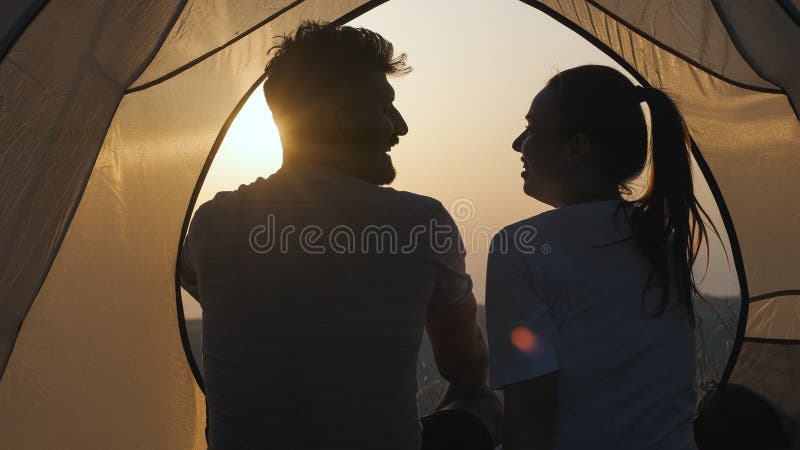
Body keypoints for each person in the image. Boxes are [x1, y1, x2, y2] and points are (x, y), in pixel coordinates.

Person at [180, 22, 500, 450]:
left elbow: (194, 280)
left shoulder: (211, 224)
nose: (401, 126)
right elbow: (466, 368)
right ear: (333, 114)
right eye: (384, 107)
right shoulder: (422, 223)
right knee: (483, 405)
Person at [486, 64, 715, 450]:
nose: (517, 144)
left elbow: (529, 412)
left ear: (576, 148)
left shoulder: (520, 247)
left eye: (531, 129)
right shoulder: (662, 238)